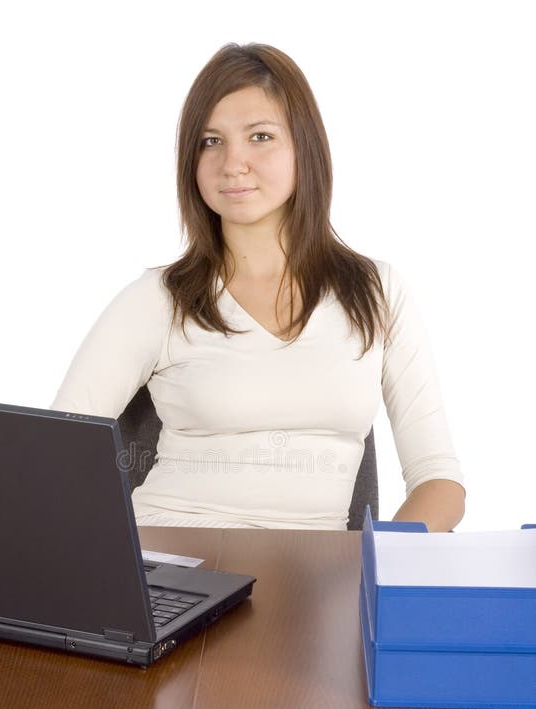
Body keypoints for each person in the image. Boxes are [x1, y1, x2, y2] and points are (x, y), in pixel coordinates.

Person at [50, 42, 465, 532]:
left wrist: (377, 564)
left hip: (316, 570)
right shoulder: (159, 298)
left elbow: (438, 481)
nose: (233, 163)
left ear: (304, 148)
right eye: (211, 141)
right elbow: (57, 451)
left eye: (260, 136)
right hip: (170, 558)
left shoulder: (377, 293)